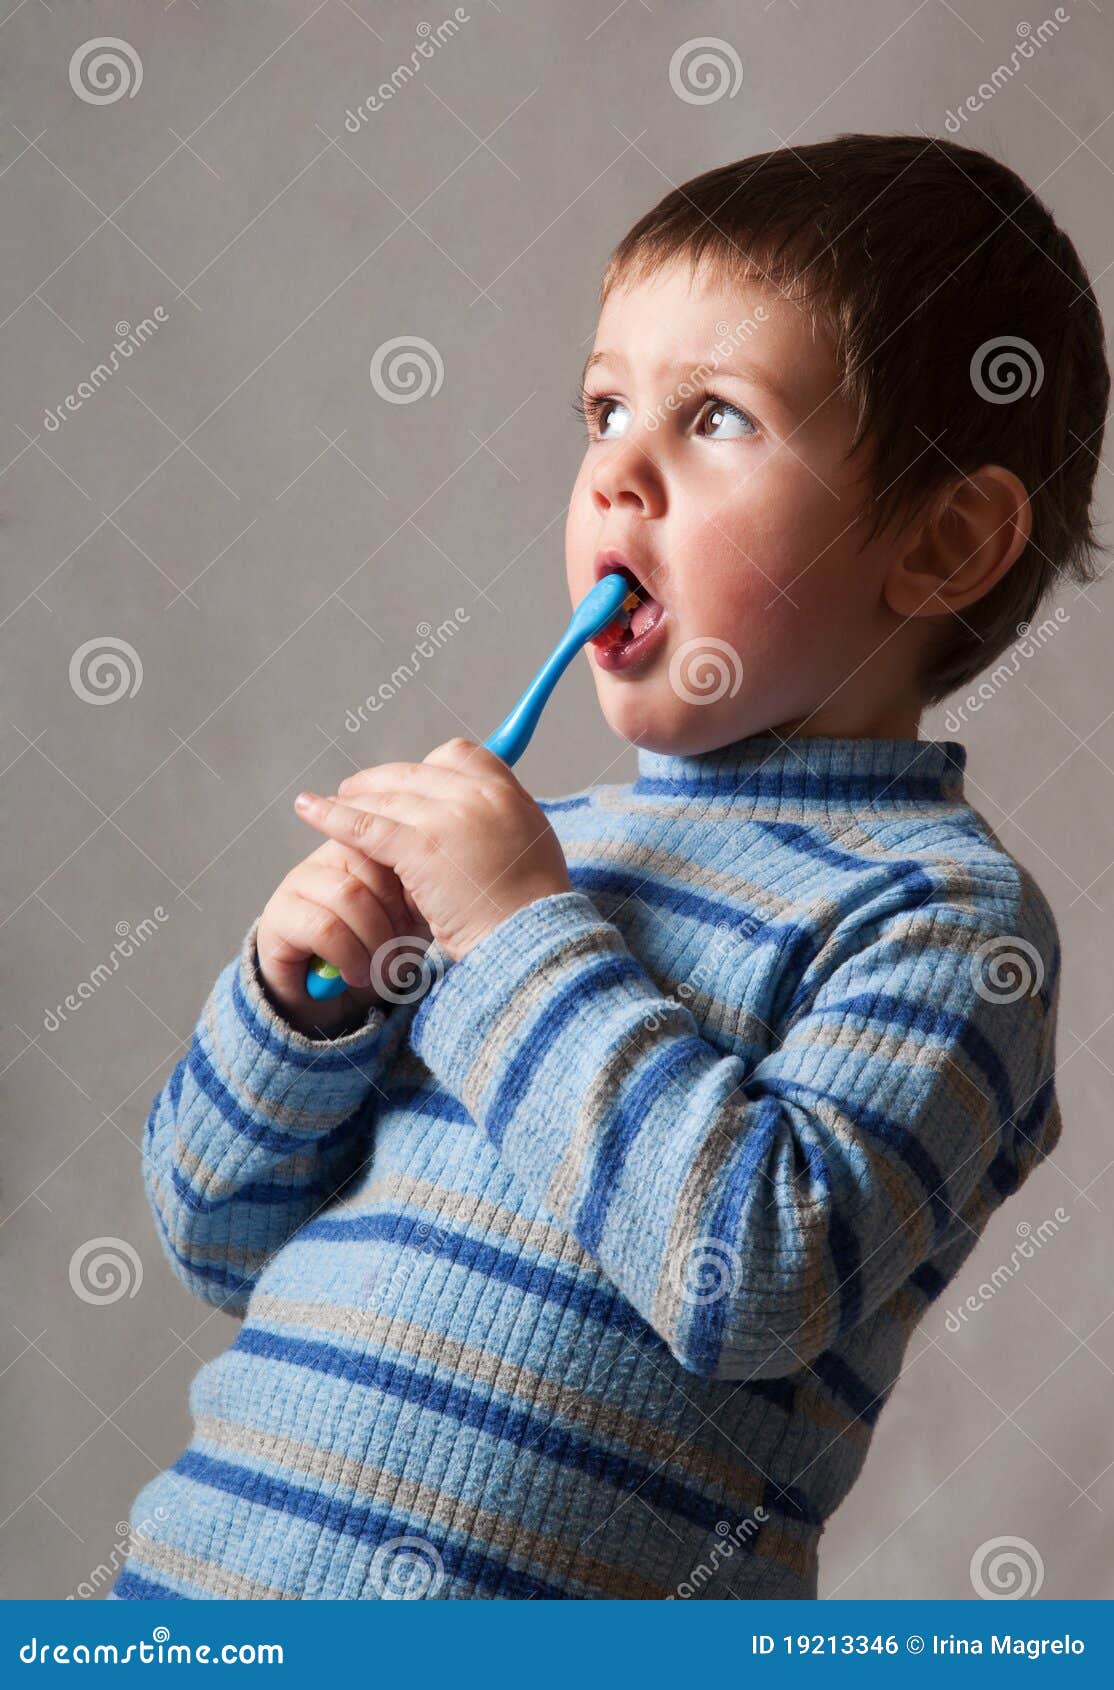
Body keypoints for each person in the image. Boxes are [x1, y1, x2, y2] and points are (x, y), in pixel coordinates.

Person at [111, 133, 1107, 1600]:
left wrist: (513, 930)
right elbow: (217, 1234)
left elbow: (752, 1278)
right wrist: (294, 1012)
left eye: (714, 418)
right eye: (601, 407)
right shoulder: (530, 852)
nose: (617, 474)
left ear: (944, 540)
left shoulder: (941, 916)